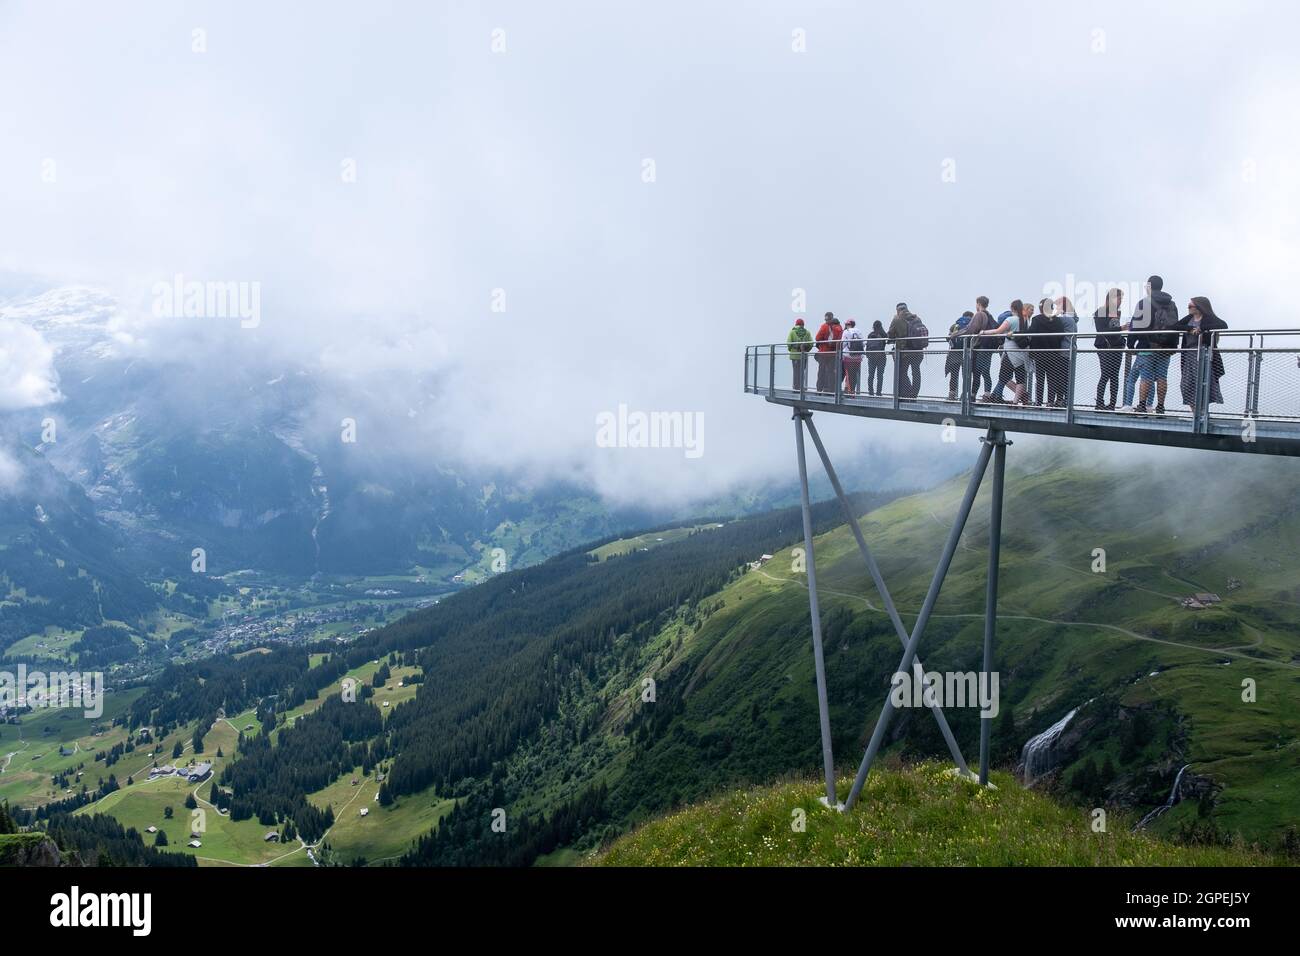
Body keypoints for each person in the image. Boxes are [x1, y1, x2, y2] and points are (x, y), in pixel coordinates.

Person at [1131, 275, 1180, 414]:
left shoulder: (1144, 302)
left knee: (1145, 378)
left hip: (1147, 346)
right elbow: (1175, 325)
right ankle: (1160, 407)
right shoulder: (1172, 304)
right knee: (1162, 377)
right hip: (1166, 347)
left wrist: (1131, 343)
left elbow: (1136, 325)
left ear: (1149, 286)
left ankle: (1141, 405)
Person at [1174, 297, 1228, 409]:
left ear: (1199, 307)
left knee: (1203, 383)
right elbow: (1174, 326)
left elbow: (1223, 325)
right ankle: (1196, 414)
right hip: (1189, 355)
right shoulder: (1189, 318)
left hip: (1203, 354)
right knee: (1186, 385)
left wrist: (1200, 328)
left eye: (1190, 306)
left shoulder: (1208, 317)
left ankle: (1201, 414)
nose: (1188, 308)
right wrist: (1190, 328)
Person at [981, 300, 1033, 404]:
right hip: (1022, 353)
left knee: (1003, 375)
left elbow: (997, 331)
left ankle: (995, 395)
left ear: (1012, 308)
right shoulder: (1026, 321)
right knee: (1020, 378)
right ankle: (1015, 401)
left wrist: (983, 332)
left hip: (1010, 352)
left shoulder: (1010, 319)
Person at [1092, 288, 1125, 410]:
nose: (1121, 301)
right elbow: (1102, 331)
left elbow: (1115, 331)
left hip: (1117, 346)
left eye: (1122, 298)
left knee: (1115, 376)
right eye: (1119, 298)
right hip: (1105, 347)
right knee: (1105, 374)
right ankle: (1099, 403)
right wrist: (1121, 329)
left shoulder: (1117, 312)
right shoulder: (1101, 311)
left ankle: (1112, 404)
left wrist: (1122, 339)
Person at [1028, 297, 1065, 406]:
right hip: (1054, 354)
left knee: (1040, 380)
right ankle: (1050, 402)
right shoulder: (1058, 320)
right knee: (1052, 379)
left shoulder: (1036, 320)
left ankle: (1038, 402)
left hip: (1040, 354)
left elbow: (1031, 333)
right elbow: (1061, 336)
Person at [967, 296, 995, 399]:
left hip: (981, 346)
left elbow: (971, 329)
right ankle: (986, 394)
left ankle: (973, 395)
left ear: (978, 303)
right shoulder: (989, 315)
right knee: (985, 371)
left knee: (977, 371)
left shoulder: (979, 314)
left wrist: (955, 335)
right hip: (988, 346)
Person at [945, 312, 972, 400]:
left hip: (954, 353)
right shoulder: (971, 324)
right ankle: (965, 395)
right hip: (967, 352)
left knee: (954, 375)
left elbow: (947, 338)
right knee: (966, 375)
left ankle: (951, 394)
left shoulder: (955, 325)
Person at [814, 312, 843, 394]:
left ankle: (819, 389)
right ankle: (830, 390)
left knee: (821, 372)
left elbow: (817, 338)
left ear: (826, 318)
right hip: (833, 353)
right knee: (831, 373)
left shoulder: (824, 327)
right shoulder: (839, 328)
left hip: (824, 353)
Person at [787, 317, 813, 391]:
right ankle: (801, 387)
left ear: (796, 324)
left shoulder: (792, 332)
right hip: (803, 355)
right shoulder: (807, 332)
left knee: (796, 372)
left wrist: (791, 349)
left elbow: (789, 343)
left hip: (795, 355)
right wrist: (806, 349)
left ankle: (796, 387)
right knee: (802, 371)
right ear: (803, 325)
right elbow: (811, 343)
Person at [841, 319, 865, 395]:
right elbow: (863, 343)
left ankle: (849, 391)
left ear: (848, 325)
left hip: (848, 356)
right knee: (854, 375)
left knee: (848, 374)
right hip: (858, 357)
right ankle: (852, 390)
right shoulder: (859, 331)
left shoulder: (846, 332)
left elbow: (843, 344)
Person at [864, 320, 888, 395]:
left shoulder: (870, 335)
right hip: (881, 357)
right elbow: (889, 341)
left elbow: (867, 346)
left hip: (871, 357)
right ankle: (878, 392)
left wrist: (868, 355)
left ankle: (870, 391)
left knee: (871, 375)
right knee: (880, 375)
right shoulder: (883, 334)